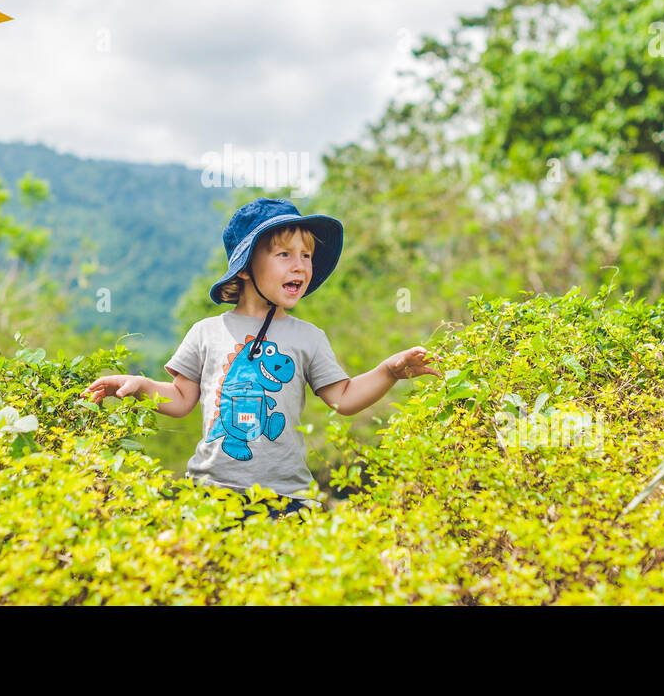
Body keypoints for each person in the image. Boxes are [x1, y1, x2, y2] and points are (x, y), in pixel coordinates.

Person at [83, 197, 440, 522]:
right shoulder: (208, 331)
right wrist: (141, 386)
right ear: (244, 268)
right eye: (284, 255)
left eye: (306, 256)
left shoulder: (309, 338)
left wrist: (388, 372)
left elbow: (343, 398)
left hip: (287, 499)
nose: (299, 266)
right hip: (212, 493)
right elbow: (180, 399)